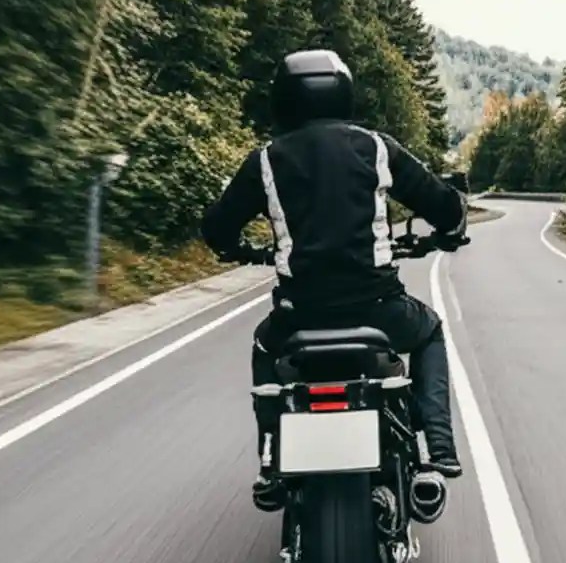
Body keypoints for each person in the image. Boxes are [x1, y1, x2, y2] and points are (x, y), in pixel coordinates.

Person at [200, 49, 470, 523]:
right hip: (379, 308)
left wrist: (238, 248)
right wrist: (449, 225)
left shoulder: (265, 161)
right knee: (428, 332)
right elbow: (443, 205)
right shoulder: (376, 148)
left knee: (265, 346)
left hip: (298, 315)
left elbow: (218, 229)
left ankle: (270, 459)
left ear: (281, 100)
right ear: (344, 93)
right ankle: (437, 450)